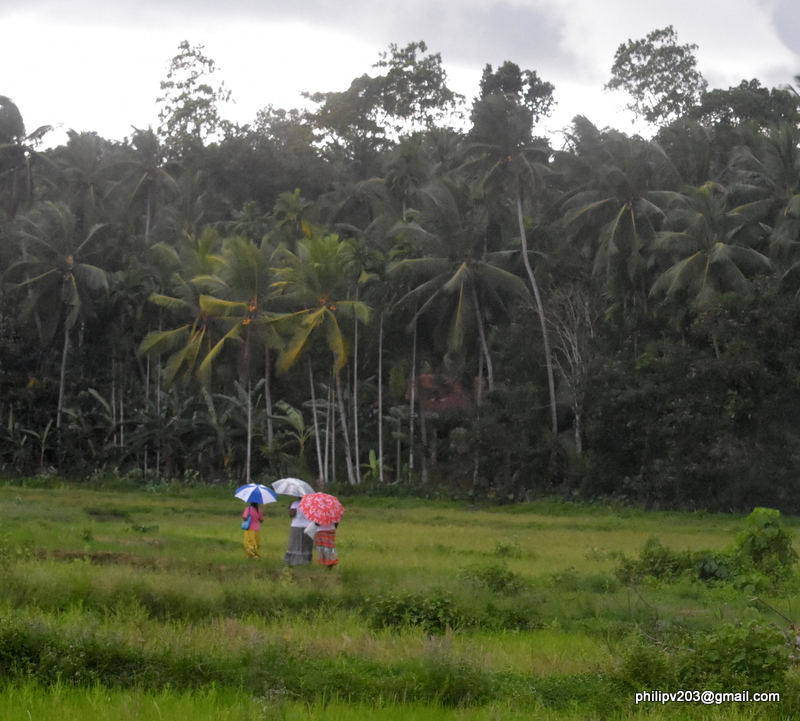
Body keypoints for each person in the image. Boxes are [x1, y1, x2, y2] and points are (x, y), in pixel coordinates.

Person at [284, 499, 313, 566]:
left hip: (297, 525)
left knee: (295, 544)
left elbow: (292, 514)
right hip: (308, 526)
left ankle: (293, 561)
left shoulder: (296, 503)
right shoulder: (310, 504)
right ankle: (305, 561)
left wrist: (289, 508)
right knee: (306, 544)